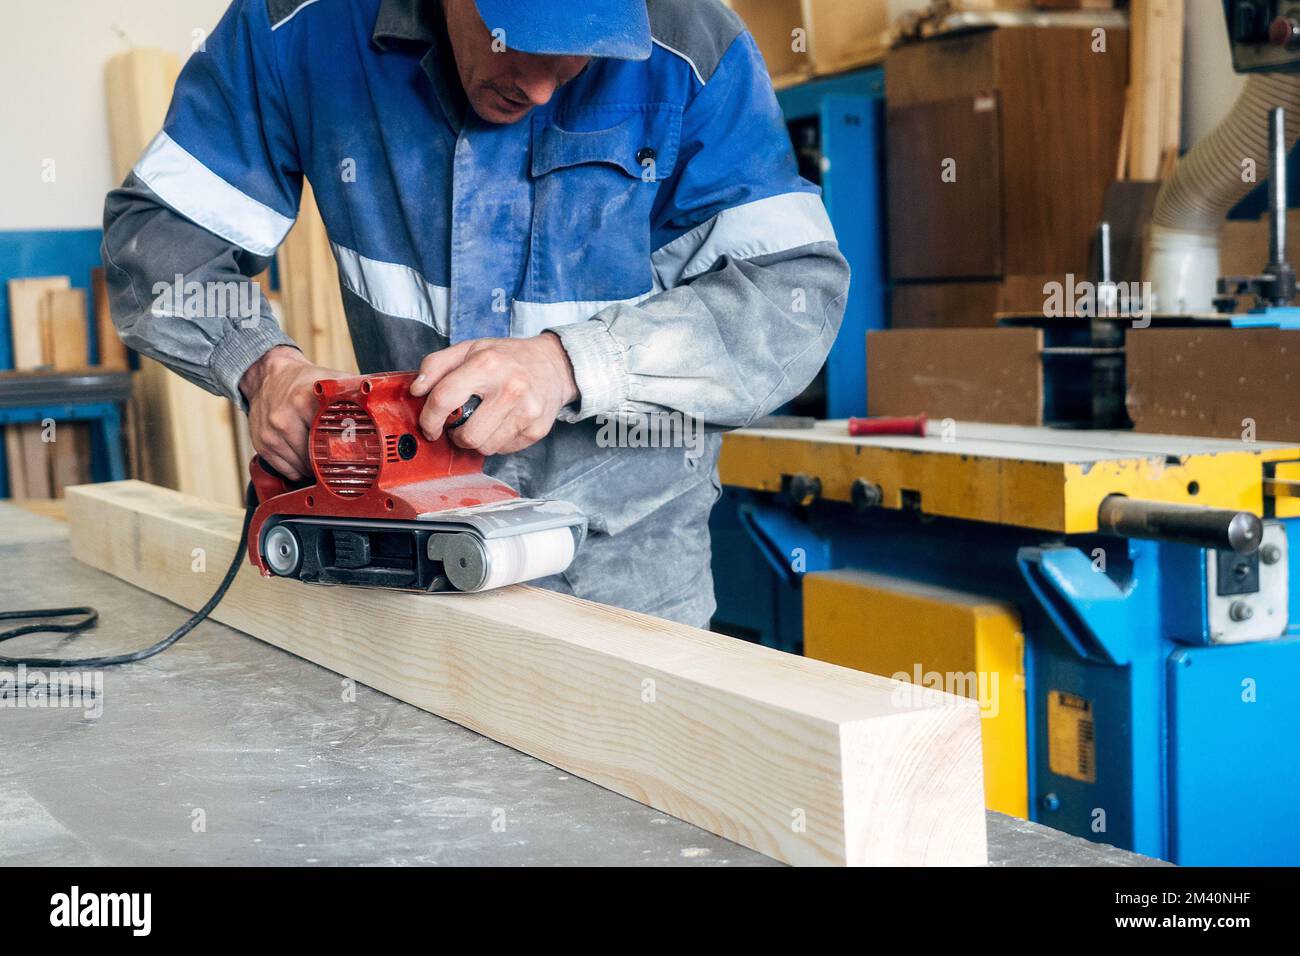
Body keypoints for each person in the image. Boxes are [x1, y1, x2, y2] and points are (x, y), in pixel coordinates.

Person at [102, 0, 849, 626]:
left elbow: (794, 298)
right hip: (403, 570)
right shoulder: (303, 26)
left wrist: (572, 364)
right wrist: (262, 367)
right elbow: (158, 237)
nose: (544, 89)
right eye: (519, 41)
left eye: (582, 55)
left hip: (631, 581)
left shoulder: (694, 49)